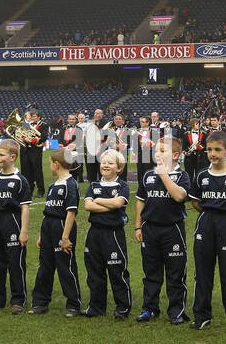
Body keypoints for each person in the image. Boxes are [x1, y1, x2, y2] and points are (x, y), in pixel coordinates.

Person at [187, 131, 226, 331]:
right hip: (205, 222)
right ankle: (202, 315)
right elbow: (195, 201)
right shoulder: (202, 175)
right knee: (202, 272)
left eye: (217, 150)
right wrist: (210, 211)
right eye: (209, 149)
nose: (213, 153)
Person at [134, 135, 190, 324]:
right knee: (151, 272)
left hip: (172, 229)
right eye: (156, 150)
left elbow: (179, 196)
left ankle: (176, 311)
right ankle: (149, 308)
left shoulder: (182, 176)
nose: (157, 153)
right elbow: (141, 200)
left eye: (162, 151)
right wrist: (137, 225)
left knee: (175, 273)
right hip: (149, 229)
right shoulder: (148, 175)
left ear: (175, 155)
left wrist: (164, 175)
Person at [0, 139, 31, 312]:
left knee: (15, 263)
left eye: (1, 155)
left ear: (13, 157)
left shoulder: (20, 180)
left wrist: (23, 231)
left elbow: (25, 207)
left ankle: (18, 300)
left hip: (12, 222)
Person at [30, 149, 82, 316]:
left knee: (65, 266)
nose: (50, 167)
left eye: (50, 163)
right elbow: (48, 211)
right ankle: (40, 302)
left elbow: (71, 212)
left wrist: (65, 237)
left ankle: (73, 304)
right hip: (48, 226)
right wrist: (41, 235)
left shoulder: (70, 184)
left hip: (62, 226)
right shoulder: (53, 186)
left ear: (57, 164)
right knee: (45, 266)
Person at [82, 149, 132, 318]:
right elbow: (88, 206)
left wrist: (99, 201)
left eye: (110, 163)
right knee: (95, 272)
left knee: (116, 271)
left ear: (119, 168)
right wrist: (108, 204)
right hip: (94, 233)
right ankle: (96, 307)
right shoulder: (94, 185)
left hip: (113, 234)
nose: (105, 165)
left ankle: (123, 307)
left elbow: (118, 204)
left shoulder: (122, 186)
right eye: (104, 162)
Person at [18, 108, 47, 196]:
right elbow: (20, 133)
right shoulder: (26, 124)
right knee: (26, 171)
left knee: (37, 171)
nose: (32, 118)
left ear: (39, 117)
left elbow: (43, 137)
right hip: (25, 150)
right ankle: (28, 190)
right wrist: (24, 138)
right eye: (31, 116)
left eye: (34, 116)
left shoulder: (44, 125)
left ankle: (40, 190)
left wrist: (33, 140)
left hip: (36, 151)